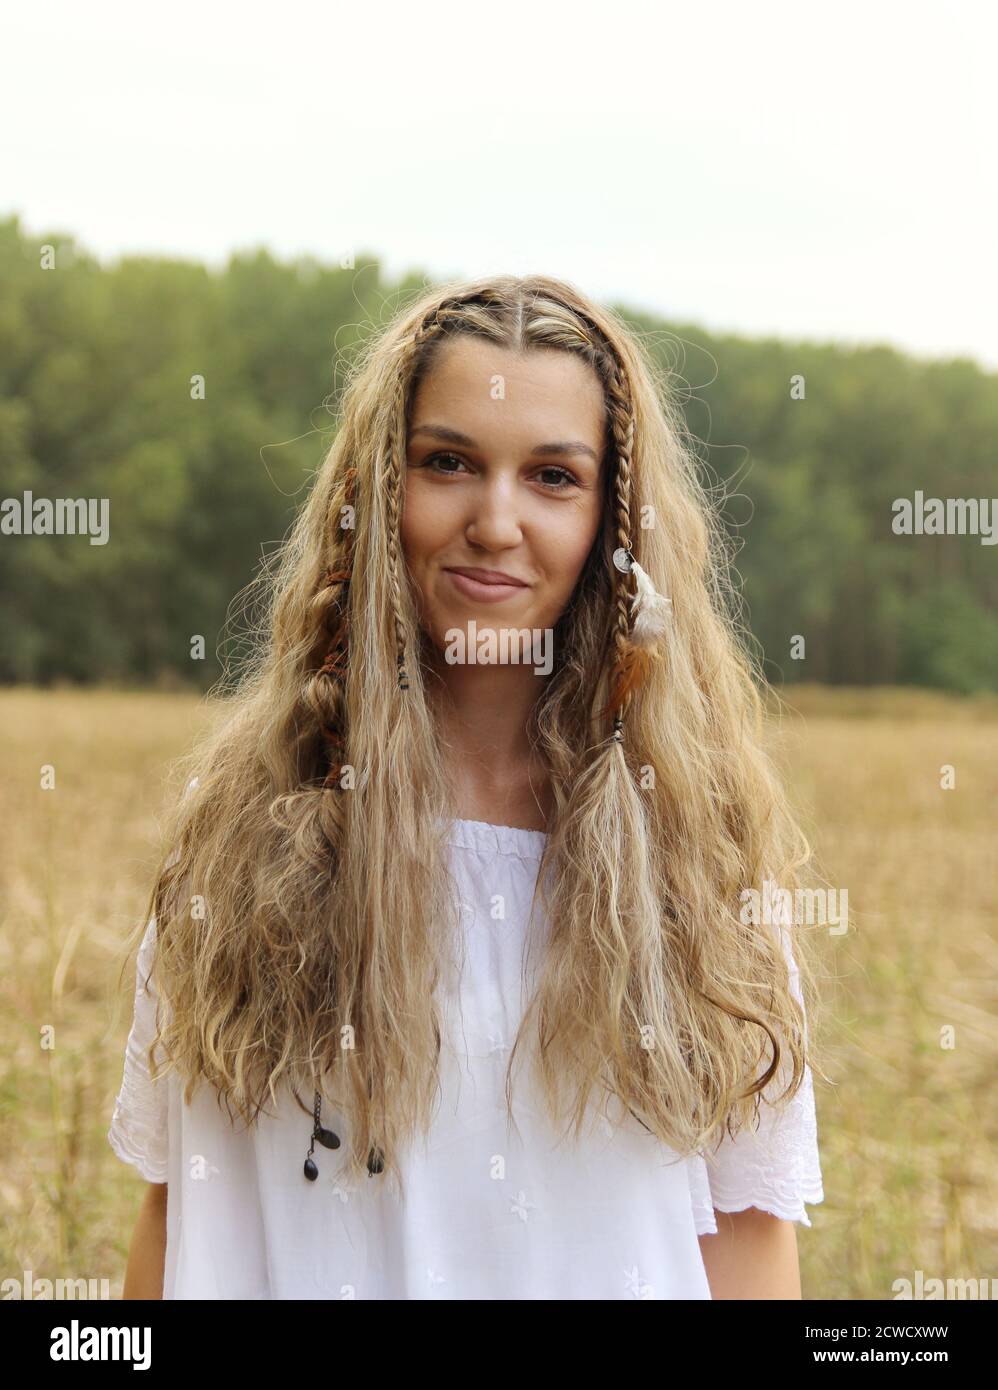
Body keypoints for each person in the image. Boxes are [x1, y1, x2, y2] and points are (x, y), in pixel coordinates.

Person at [108, 273, 824, 1300]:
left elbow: (749, 1242)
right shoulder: (241, 836)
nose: (495, 521)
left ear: (613, 522)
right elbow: (178, 1212)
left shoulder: (698, 862)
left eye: (552, 476)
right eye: (447, 462)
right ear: (376, 490)